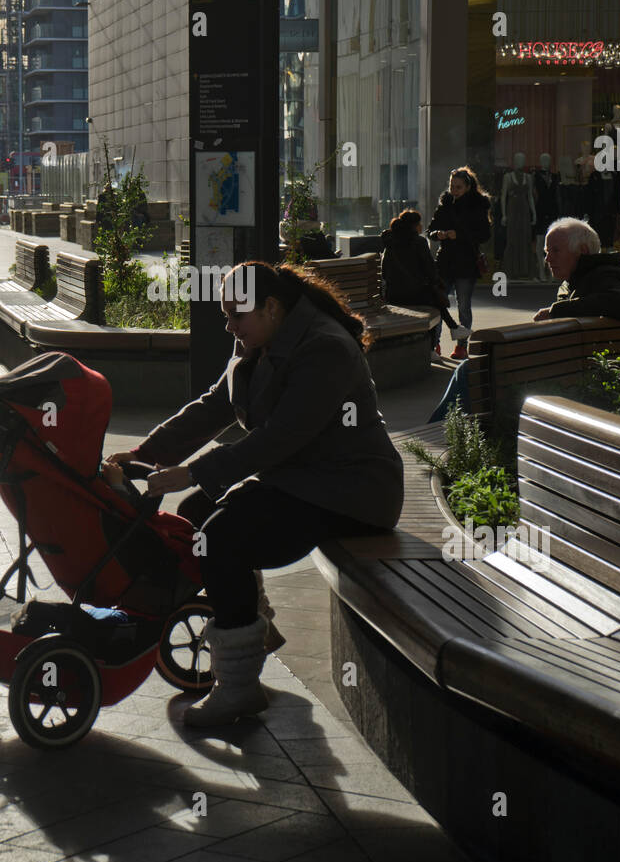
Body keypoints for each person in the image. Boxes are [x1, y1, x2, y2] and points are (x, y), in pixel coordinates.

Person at [104, 261, 404, 727]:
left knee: (223, 535)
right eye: (224, 315)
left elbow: (281, 437)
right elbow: (214, 407)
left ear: (271, 307)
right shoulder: (258, 339)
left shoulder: (325, 348)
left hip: (353, 492)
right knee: (195, 514)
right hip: (304, 478)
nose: (229, 326)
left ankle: (239, 687)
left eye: (235, 315)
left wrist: (195, 471)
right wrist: (146, 453)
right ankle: (251, 626)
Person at [428, 217, 620, 421]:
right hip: (570, 371)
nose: (547, 259)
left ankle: (432, 435)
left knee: (472, 371)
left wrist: (556, 311)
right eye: (546, 252)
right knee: (472, 370)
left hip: (574, 378)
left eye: (555, 251)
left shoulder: (604, 275)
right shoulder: (575, 280)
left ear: (583, 251)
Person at [381, 210, 468, 360]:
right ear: (415, 226)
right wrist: (436, 283)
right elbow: (430, 270)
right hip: (414, 295)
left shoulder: (390, 243)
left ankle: (453, 329)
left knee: (431, 296)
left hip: (393, 295)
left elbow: (384, 272)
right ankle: (433, 347)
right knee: (434, 301)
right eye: (419, 224)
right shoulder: (419, 242)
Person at [427, 167, 492, 361]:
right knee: (439, 304)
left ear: (467, 187)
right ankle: (434, 344)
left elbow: (484, 235)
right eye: (451, 186)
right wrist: (437, 234)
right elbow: (431, 228)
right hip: (445, 261)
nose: (454, 191)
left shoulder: (478, 206)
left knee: (464, 306)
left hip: (466, 262)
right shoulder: (445, 203)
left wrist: (460, 235)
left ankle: (462, 346)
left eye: (458, 187)